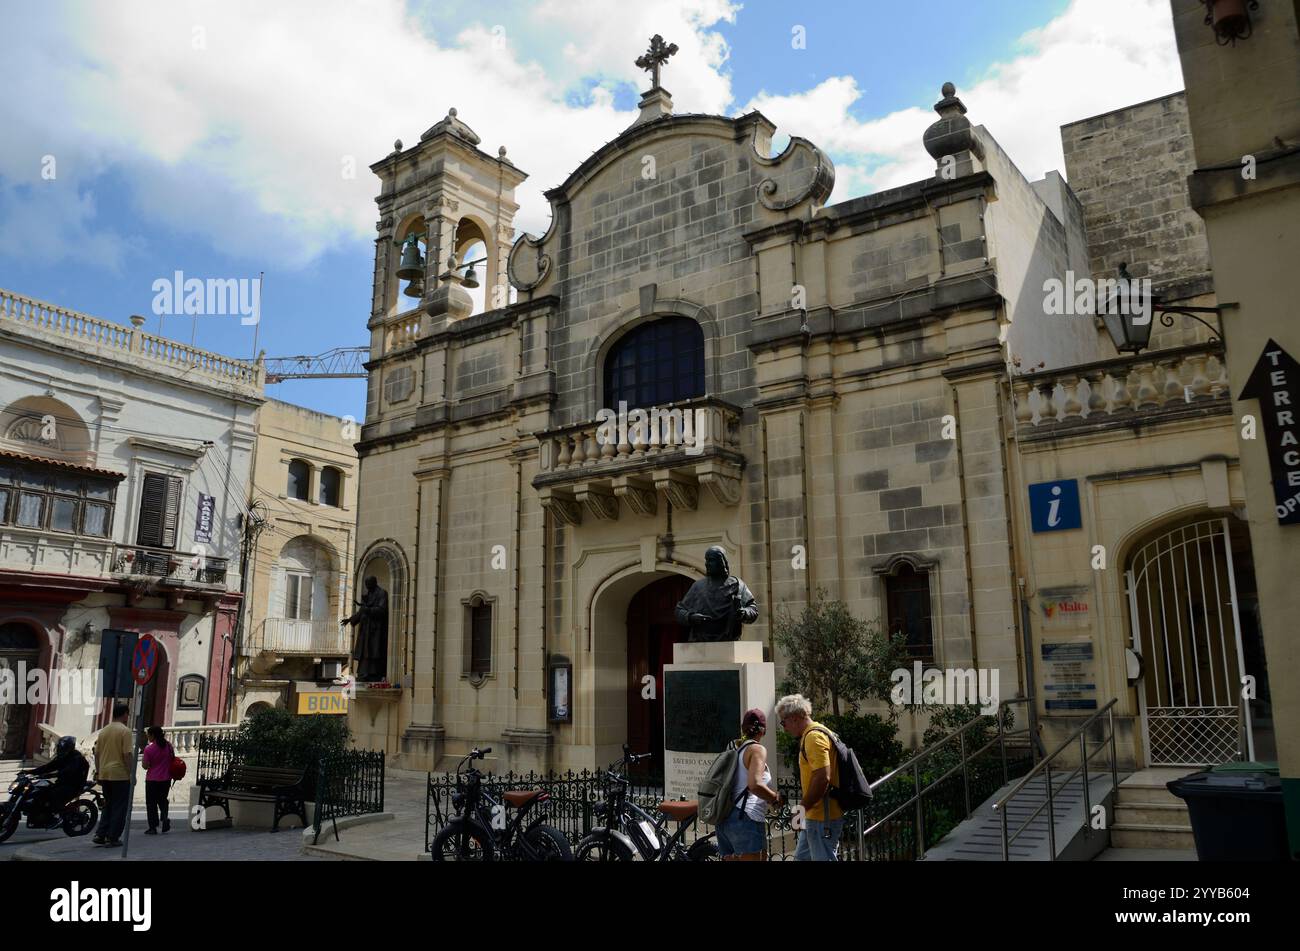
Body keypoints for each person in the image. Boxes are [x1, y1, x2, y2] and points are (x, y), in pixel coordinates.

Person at [776, 693, 843, 861]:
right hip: (815, 816)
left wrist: (800, 810)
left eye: (783, 722)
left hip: (822, 817)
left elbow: (822, 778)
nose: (784, 728)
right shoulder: (816, 733)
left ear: (796, 718)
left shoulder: (813, 737)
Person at [716, 709, 781, 861]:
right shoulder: (756, 749)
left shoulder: (735, 750)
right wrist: (775, 798)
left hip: (725, 818)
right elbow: (755, 784)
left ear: (742, 728)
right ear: (763, 731)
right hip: (745, 818)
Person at [674, 546, 758, 642]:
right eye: (706, 560)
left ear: (722, 562)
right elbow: (679, 611)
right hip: (701, 642)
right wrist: (690, 617)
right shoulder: (697, 586)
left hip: (729, 640)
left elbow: (753, 609)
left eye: (711, 560)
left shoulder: (737, 585)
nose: (707, 564)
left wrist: (744, 613)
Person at [92, 702, 134, 846]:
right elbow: (127, 754)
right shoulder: (125, 731)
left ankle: (100, 834)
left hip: (105, 773)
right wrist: (131, 773)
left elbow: (96, 754)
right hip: (120, 774)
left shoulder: (103, 731)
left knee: (108, 805)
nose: (128, 717)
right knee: (120, 807)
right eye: (127, 714)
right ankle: (113, 836)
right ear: (124, 714)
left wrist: (98, 772)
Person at [27, 735, 89, 823]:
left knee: (54, 794)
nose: (61, 749)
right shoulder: (63, 757)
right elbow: (49, 766)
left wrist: (52, 775)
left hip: (73, 785)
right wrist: (31, 772)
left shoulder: (77, 758)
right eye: (60, 747)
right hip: (62, 783)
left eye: (63, 747)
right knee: (40, 791)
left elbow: (68, 771)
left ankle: (55, 817)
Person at [141, 726, 174, 835]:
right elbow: (173, 759)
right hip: (166, 778)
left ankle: (153, 827)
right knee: (162, 800)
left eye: (148, 735)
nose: (147, 737)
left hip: (152, 779)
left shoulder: (149, 749)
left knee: (151, 803)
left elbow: (145, 766)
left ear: (153, 735)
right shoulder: (168, 746)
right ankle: (164, 818)